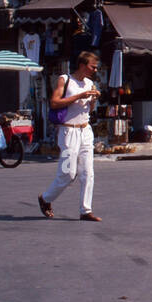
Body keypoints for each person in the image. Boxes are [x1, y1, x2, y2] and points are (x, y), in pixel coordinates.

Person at [39, 49, 103, 221]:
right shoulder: (65, 80)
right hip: (69, 131)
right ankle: (45, 198)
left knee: (88, 172)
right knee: (68, 173)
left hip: (85, 130)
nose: (95, 70)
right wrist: (79, 96)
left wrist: (93, 99)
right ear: (82, 65)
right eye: (93, 67)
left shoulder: (89, 83)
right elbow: (54, 102)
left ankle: (85, 210)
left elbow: (89, 109)